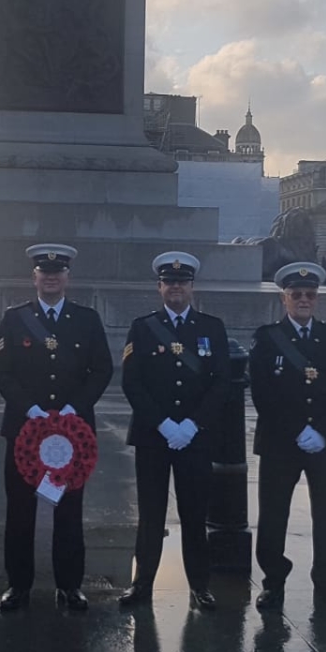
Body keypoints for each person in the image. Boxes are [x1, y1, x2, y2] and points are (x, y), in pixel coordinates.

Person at [0, 244, 114, 612]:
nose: (51, 278)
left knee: (69, 511)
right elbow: (0, 370)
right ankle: (18, 585)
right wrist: (30, 410)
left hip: (72, 433)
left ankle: (70, 585)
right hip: (23, 430)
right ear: (34, 278)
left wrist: (73, 410)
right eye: (44, 273)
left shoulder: (86, 319)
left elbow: (102, 369)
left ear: (67, 278)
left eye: (57, 273)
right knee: (20, 511)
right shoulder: (15, 319)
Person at [119, 252, 230, 610]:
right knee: (150, 514)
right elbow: (133, 383)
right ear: (160, 287)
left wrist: (193, 424)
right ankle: (142, 584)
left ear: (192, 287)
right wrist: (164, 423)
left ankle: (200, 585)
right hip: (154, 436)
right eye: (170, 282)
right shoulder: (142, 327)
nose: (176, 288)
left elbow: (222, 382)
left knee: (194, 514)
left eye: (182, 282)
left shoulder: (212, 328)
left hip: (195, 438)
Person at [248, 261, 326, 614]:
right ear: (285, 298)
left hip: (325, 444)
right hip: (282, 442)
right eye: (296, 294)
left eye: (310, 294)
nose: (303, 300)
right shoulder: (267, 339)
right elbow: (263, 394)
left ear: (317, 298)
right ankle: (273, 583)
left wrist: (322, 432)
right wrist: (298, 429)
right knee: (273, 514)